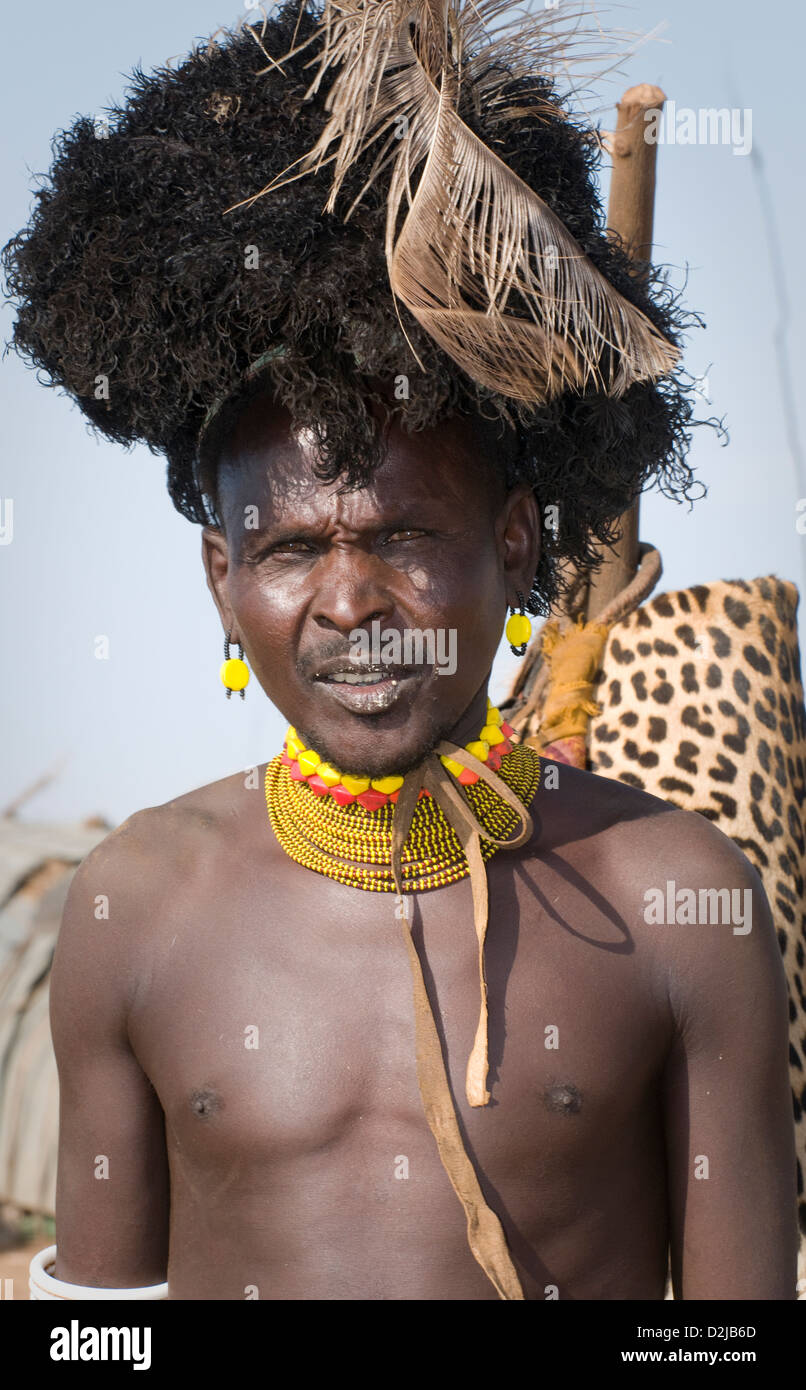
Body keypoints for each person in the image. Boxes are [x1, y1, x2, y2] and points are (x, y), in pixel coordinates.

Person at [7, 1, 796, 1300]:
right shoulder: (131, 906)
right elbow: (101, 1333)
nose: (351, 599)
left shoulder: (678, 905)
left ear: (515, 544)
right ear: (222, 580)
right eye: (290, 549)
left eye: (404, 534)